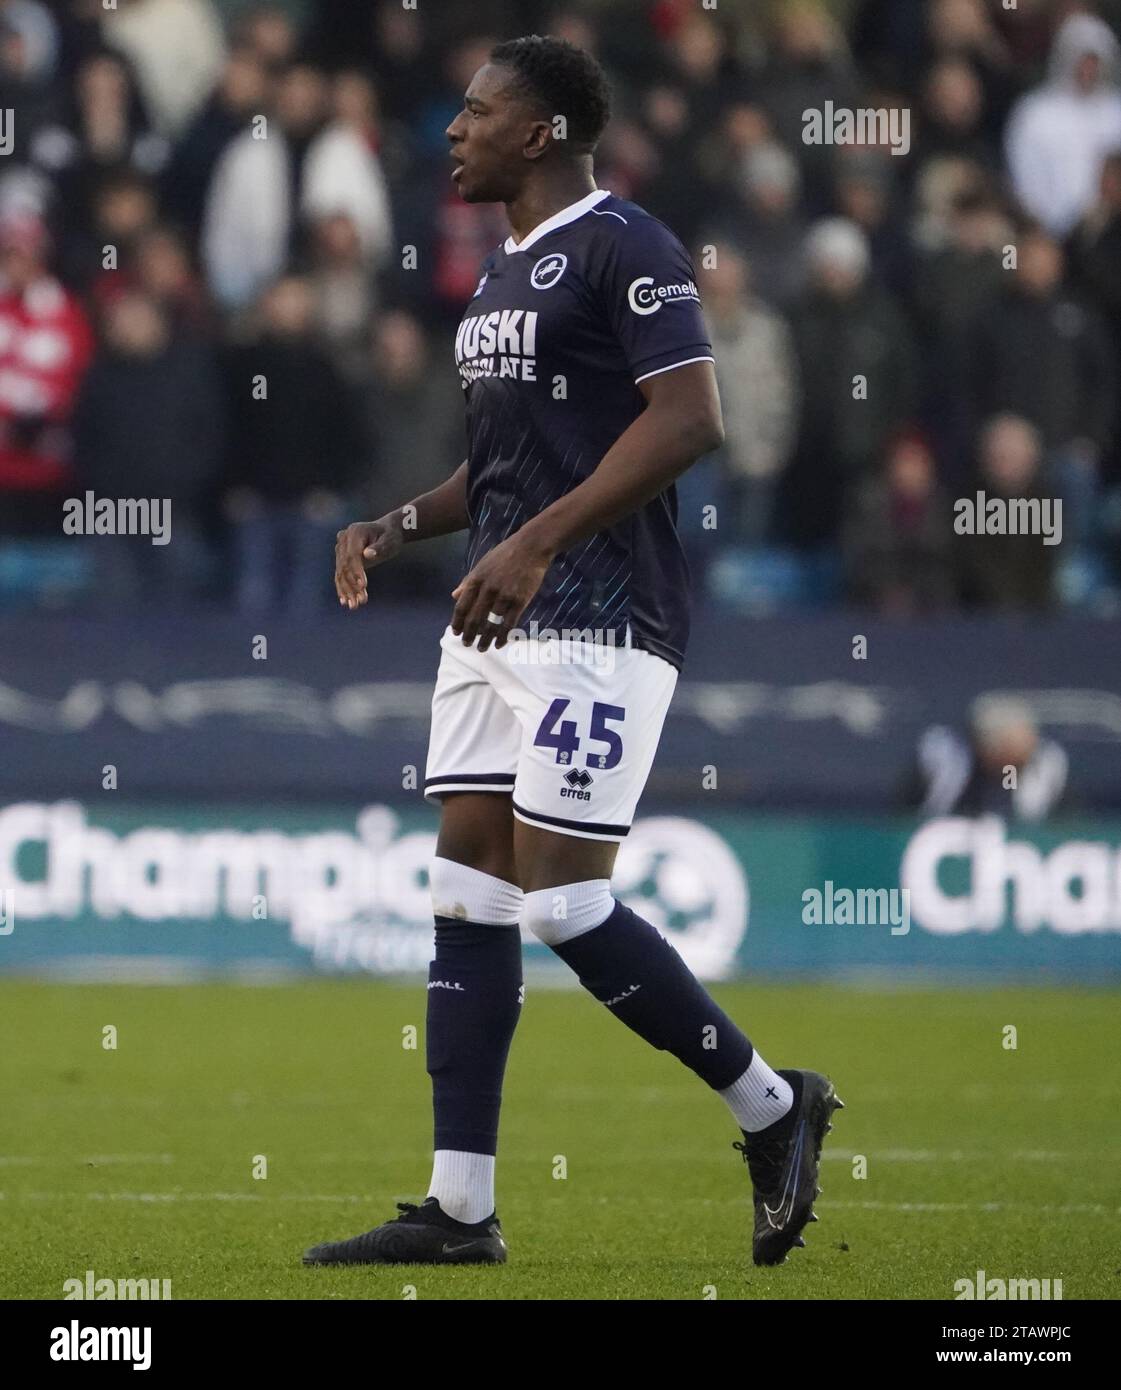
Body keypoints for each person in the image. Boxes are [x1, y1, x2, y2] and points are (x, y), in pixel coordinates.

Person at [310, 35, 842, 1274]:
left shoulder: (626, 245)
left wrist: (539, 544)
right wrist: (397, 522)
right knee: (466, 892)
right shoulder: (498, 275)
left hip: (598, 620)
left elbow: (690, 419)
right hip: (495, 617)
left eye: (479, 111)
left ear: (541, 131)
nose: (453, 128)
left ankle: (774, 1106)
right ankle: (458, 1208)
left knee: (560, 897)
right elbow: (501, 468)